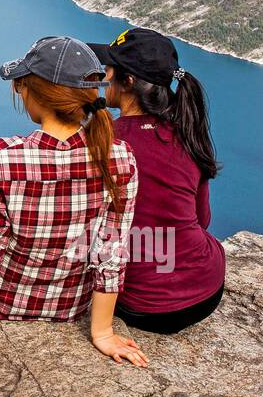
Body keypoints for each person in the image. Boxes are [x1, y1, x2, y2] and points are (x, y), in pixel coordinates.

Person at [0, 36, 146, 365]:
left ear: (33, 92)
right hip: (71, 306)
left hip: (5, 303)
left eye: (21, 87)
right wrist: (103, 333)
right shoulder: (120, 159)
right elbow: (111, 251)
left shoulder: (2, 158)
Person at [88, 28, 225, 334]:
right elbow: (202, 220)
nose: (103, 76)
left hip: (141, 304)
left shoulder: (104, 138)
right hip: (206, 291)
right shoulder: (186, 132)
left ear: (128, 81)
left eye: (108, 69)